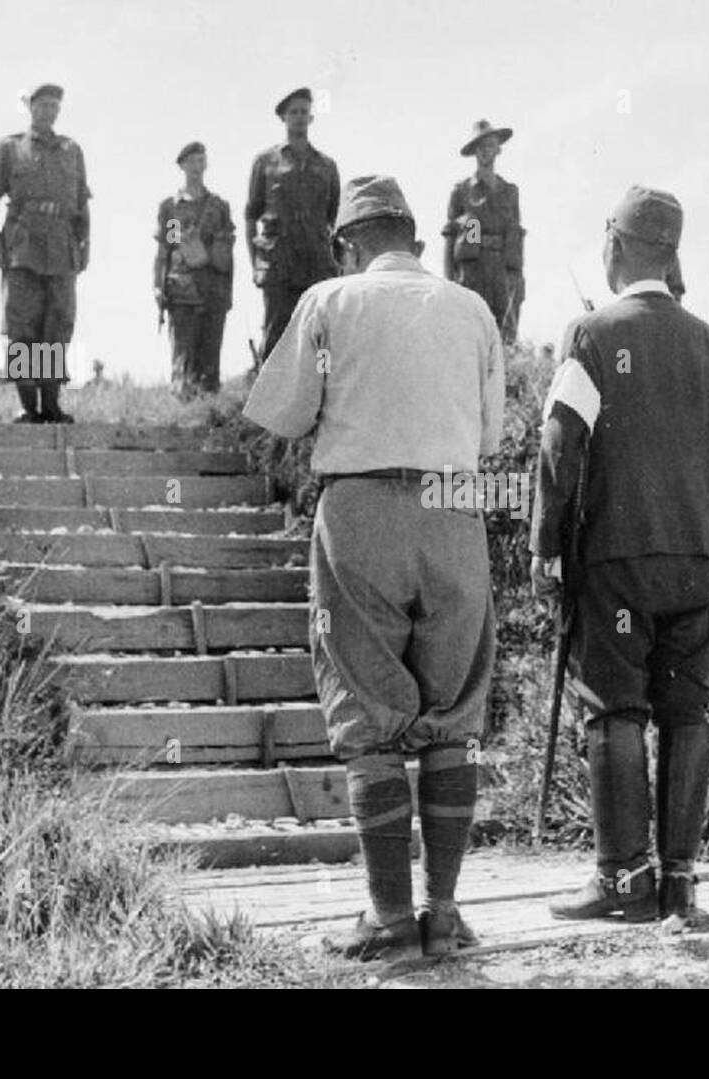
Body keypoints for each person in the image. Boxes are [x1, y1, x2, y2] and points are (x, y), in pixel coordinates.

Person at [244, 175, 505, 960]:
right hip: (456, 510)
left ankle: (391, 917)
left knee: (369, 713)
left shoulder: (331, 299)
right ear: (416, 239)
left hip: (360, 512)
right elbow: (489, 438)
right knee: (452, 715)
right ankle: (446, 912)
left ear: (350, 244)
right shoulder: (473, 307)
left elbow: (280, 414)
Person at [530, 186, 709, 923]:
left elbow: (561, 444)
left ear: (620, 247)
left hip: (617, 562)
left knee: (615, 707)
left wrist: (546, 548)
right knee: (687, 710)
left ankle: (625, 879)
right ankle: (682, 883)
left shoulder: (590, 334)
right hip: (694, 563)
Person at [0, 83, 90, 423]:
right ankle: (29, 406)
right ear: (30, 107)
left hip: (62, 247)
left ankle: (52, 404)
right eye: (42, 105)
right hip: (23, 247)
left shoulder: (71, 150)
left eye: (54, 106)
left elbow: (81, 205)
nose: (48, 111)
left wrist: (85, 244)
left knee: (57, 325)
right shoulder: (9, 147)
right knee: (22, 326)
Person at [245, 87, 340, 367]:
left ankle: (323, 390)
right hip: (279, 264)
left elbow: (334, 219)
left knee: (322, 333)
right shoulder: (265, 162)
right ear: (284, 119)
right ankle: (267, 400)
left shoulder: (327, 165)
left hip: (317, 262)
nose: (299, 117)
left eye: (304, 111)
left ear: (311, 118)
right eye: (293, 112)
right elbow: (251, 215)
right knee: (276, 332)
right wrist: (256, 263)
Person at [155, 141, 235, 397]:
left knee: (210, 357)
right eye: (191, 162)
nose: (196, 167)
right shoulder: (172, 208)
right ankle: (182, 407)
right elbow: (166, 250)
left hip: (214, 288)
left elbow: (228, 255)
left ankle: (209, 412)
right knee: (183, 355)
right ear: (182, 166)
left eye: (201, 161)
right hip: (183, 290)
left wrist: (228, 293)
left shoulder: (219, 208)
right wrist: (158, 286)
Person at [442, 119, 524, 344]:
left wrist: (517, 280)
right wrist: (450, 283)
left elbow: (517, 238)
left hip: (503, 272)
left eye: (490, 145)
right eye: (480, 147)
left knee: (505, 335)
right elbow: (449, 241)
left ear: (498, 149)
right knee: (471, 331)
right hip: (472, 272)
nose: (486, 151)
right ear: (474, 152)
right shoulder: (460, 191)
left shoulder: (510, 192)